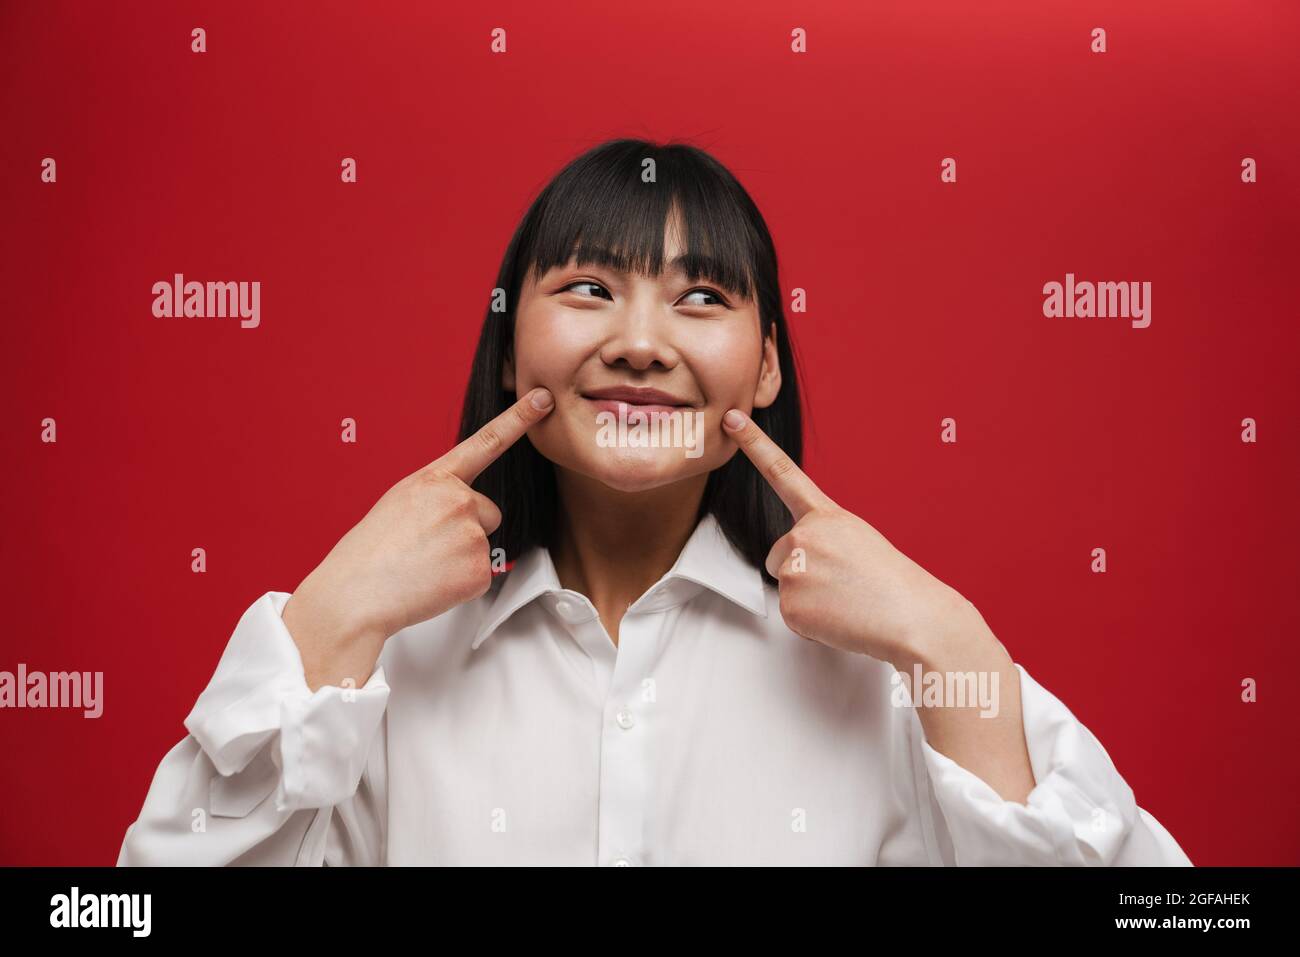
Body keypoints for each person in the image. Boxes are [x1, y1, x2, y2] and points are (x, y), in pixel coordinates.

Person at [117, 139, 1191, 866]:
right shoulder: (375, 670)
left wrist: (952, 640)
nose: (639, 343)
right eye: (588, 289)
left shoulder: (900, 672)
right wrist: (324, 620)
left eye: (702, 299)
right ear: (508, 349)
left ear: (765, 367)